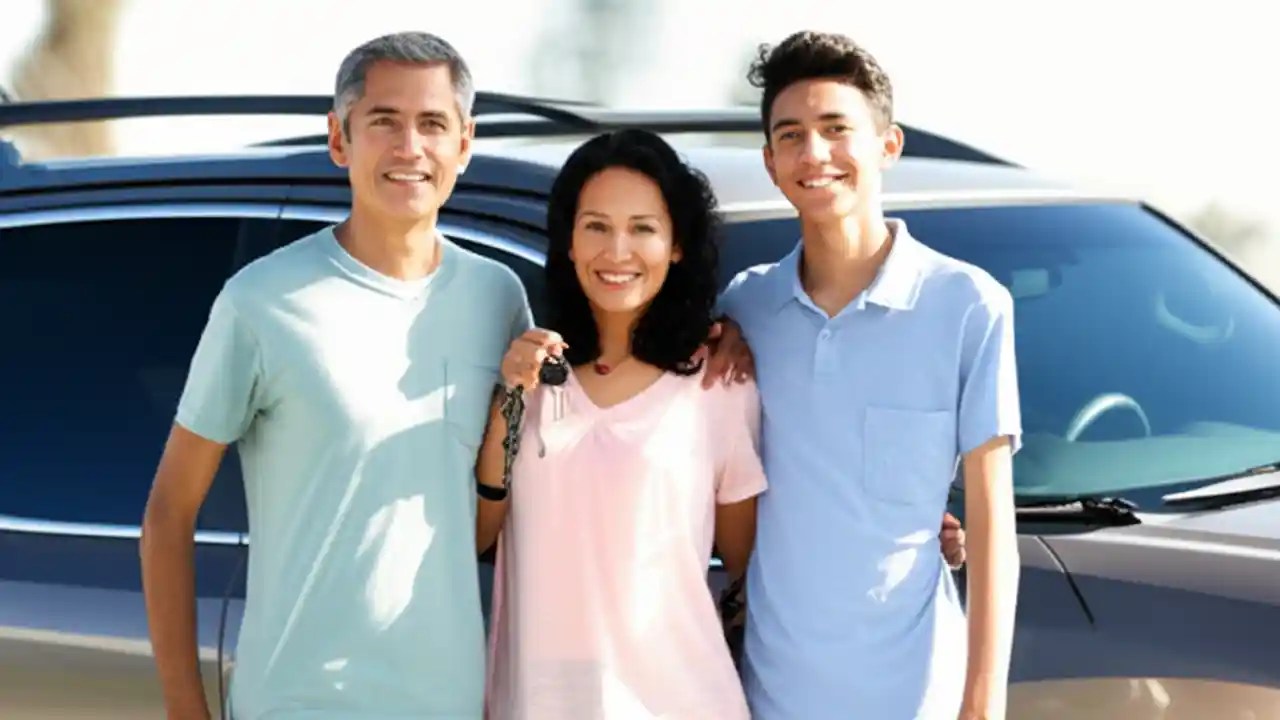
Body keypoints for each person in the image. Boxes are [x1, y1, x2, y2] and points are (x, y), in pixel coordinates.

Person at [140, 32, 532, 720]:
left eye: (433, 124)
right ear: (339, 139)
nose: (410, 147)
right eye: (384, 121)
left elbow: (466, 528)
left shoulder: (498, 299)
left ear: (464, 144)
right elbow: (169, 512)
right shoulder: (261, 302)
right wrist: (184, 708)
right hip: (295, 704)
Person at [706, 31, 1023, 720]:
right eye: (791, 135)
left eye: (835, 129)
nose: (813, 154)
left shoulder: (969, 306)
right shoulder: (744, 308)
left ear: (888, 144)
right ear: (769, 161)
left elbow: (992, 521)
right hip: (767, 699)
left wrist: (983, 702)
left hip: (922, 700)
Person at [475, 128, 764, 720]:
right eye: (597, 227)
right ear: (570, 242)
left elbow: (751, 563)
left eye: (643, 228)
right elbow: (478, 536)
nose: (617, 251)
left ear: (676, 245)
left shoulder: (718, 384)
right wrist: (508, 398)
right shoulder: (527, 371)